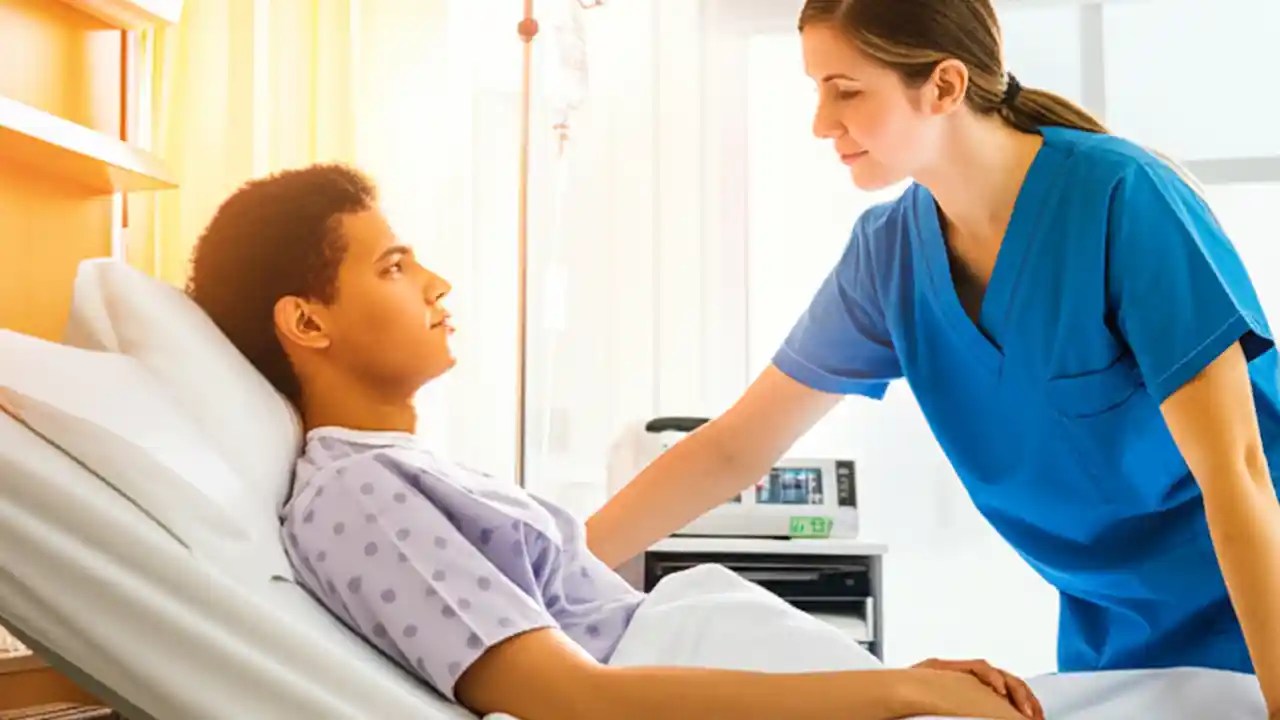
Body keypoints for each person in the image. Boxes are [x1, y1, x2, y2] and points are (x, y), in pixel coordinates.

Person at [586, 0, 1280, 716]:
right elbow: (734, 448)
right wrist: (545, 567)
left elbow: (1240, 475)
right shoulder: (889, 258)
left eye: (845, 89)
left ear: (944, 86)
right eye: (816, 89)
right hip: (1125, 644)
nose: (821, 122)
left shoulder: (1120, 198)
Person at [185, 164, 1042, 720]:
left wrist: (899, 686)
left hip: (713, 652)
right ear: (305, 320)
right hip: (678, 668)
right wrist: (895, 688)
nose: (437, 283)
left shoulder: (398, 471)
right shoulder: (354, 496)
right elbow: (572, 696)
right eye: (395, 267)